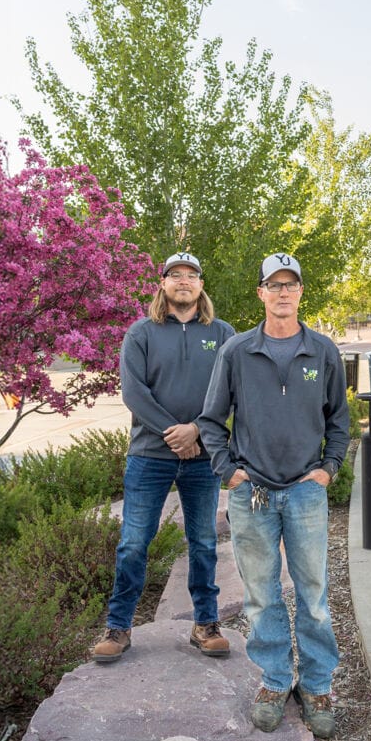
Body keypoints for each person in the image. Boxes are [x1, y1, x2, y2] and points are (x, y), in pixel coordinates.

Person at [198, 253, 349, 740]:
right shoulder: (237, 352)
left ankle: (318, 685)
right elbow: (210, 421)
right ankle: (275, 680)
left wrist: (327, 470)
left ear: (301, 292)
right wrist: (230, 472)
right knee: (261, 596)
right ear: (260, 292)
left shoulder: (322, 351)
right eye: (273, 285)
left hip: (305, 491)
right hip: (253, 494)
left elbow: (339, 422)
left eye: (291, 284)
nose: (283, 292)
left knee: (315, 596)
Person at [94, 252, 235, 663]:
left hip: (202, 456)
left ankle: (205, 624)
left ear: (201, 284)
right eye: (176, 275)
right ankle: (118, 628)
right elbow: (134, 394)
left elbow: (231, 391)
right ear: (163, 283)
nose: (184, 281)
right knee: (134, 542)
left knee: (204, 541)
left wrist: (197, 429)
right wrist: (177, 435)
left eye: (192, 274)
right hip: (148, 455)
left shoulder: (223, 333)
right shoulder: (141, 333)